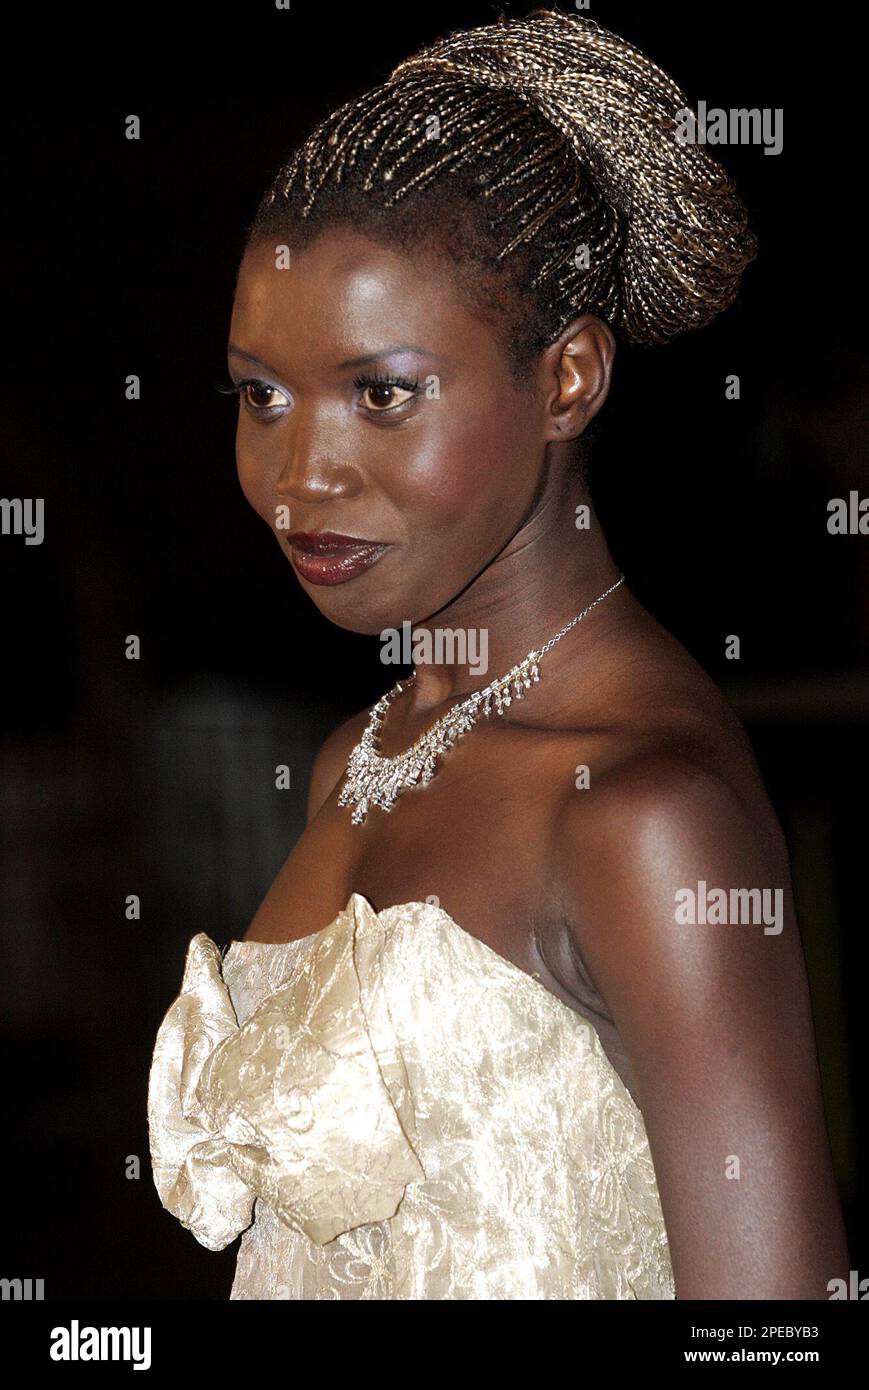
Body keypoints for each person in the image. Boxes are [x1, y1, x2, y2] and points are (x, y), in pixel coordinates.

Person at [147, 8, 849, 1299]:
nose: (300, 478)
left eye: (383, 393)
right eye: (262, 395)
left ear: (568, 378)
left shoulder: (640, 811)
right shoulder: (361, 756)